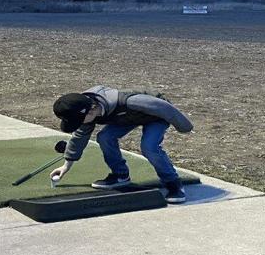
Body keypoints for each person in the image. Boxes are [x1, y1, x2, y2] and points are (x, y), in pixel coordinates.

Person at [49, 86, 193, 203]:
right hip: (126, 118)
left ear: (91, 110)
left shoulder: (131, 102)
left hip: (156, 115)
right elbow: (80, 136)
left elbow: (165, 108)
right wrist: (66, 166)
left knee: (149, 147)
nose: (78, 124)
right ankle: (120, 176)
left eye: (78, 121)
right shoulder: (84, 109)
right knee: (105, 137)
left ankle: (173, 183)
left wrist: (185, 127)